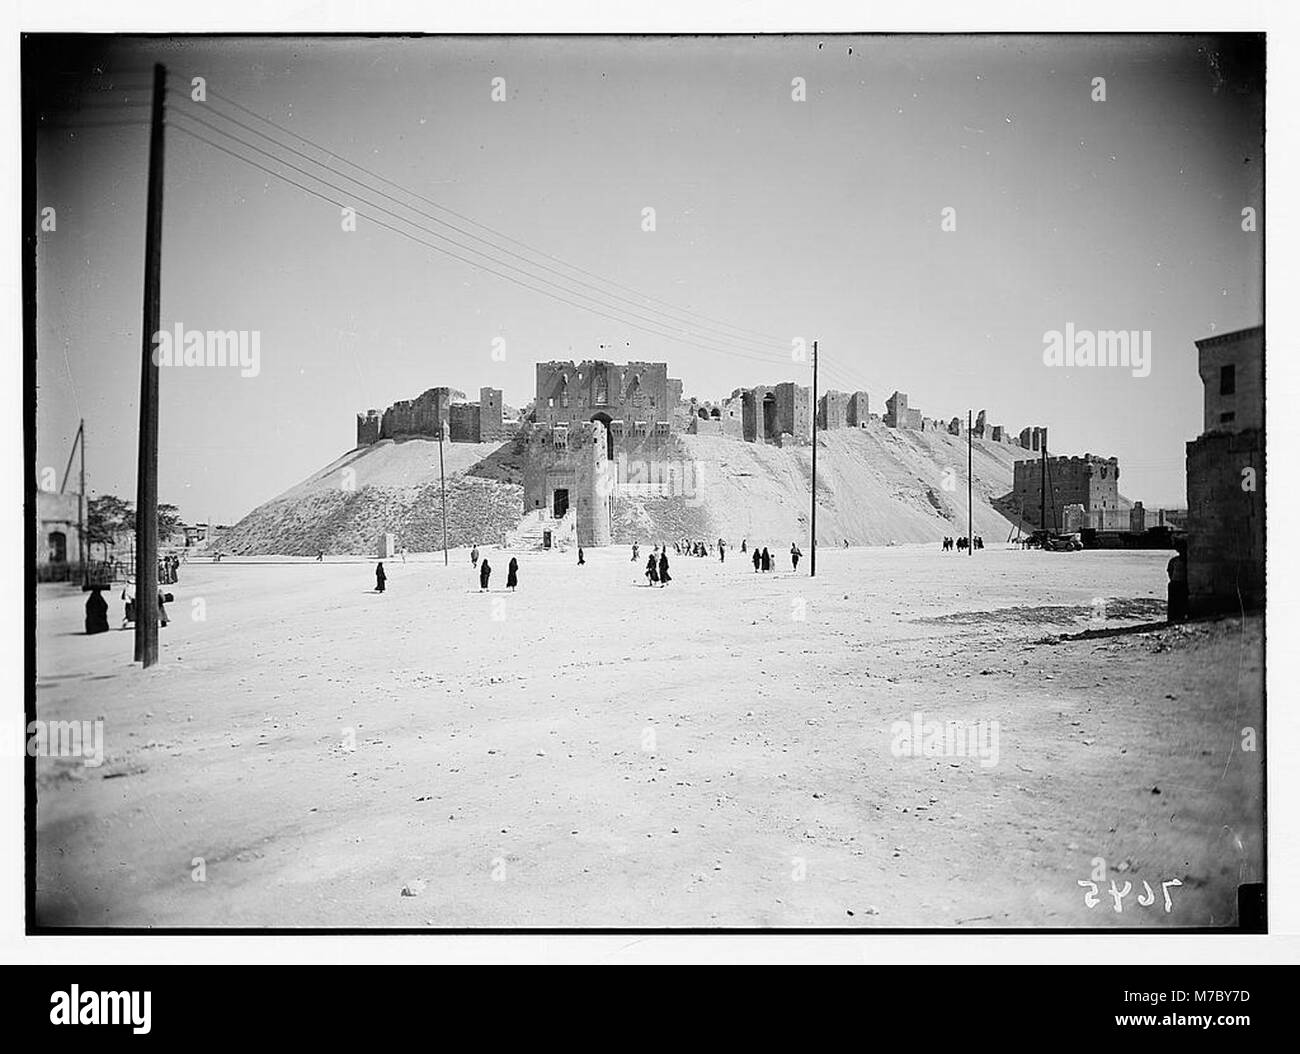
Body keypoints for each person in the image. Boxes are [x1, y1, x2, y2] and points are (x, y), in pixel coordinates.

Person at [1167, 540, 1188, 623]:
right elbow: (1170, 571)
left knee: (1178, 604)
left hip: (1178, 583)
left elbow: (1170, 571)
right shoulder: (1175, 560)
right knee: (1175, 604)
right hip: (1176, 584)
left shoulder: (1175, 560)